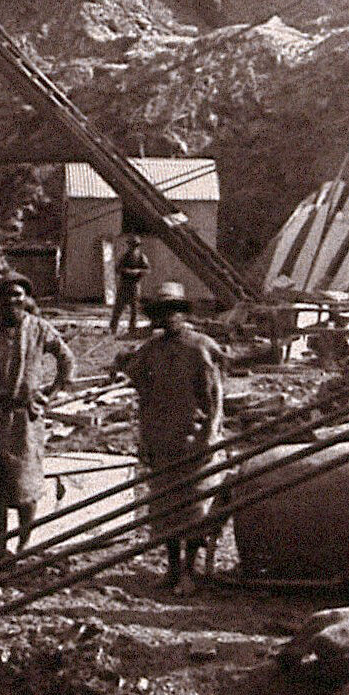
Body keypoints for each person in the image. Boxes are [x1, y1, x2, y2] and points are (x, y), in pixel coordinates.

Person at [119, 281, 225, 592]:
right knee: (165, 509)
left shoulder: (201, 347)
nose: (165, 319)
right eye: (159, 313)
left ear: (181, 313)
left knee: (193, 507)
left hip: (193, 440)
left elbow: (215, 399)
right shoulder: (152, 349)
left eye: (171, 312)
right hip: (161, 438)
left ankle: (189, 573)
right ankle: (173, 568)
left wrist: (209, 437)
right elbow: (140, 388)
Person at [0, 276, 77, 559]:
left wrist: (50, 394)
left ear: (26, 298)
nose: (13, 301)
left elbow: (67, 360)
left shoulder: (38, 329)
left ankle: (25, 545)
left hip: (25, 420)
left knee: (25, 487)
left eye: (19, 296)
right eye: (7, 296)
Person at [111, 236, 152, 335]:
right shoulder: (125, 257)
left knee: (134, 309)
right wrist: (125, 270)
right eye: (132, 245)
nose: (133, 248)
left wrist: (137, 271)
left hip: (134, 285)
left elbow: (147, 270)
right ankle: (113, 328)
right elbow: (117, 269)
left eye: (135, 246)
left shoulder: (142, 257)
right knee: (118, 308)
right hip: (124, 285)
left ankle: (132, 329)